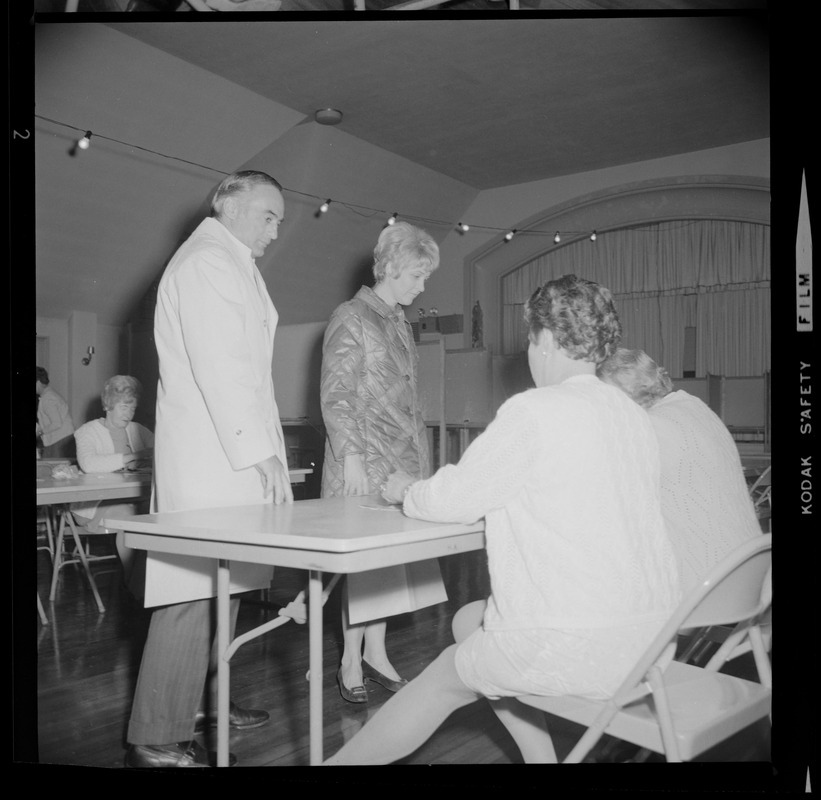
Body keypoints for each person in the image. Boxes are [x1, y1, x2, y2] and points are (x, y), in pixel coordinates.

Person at [323, 274, 680, 765]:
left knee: (443, 678)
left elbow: (453, 499)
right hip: (652, 643)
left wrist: (406, 490)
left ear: (547, 339)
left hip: (575, 645)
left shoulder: (535, 410)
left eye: (531, 340)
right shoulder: (633, 417)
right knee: (471, 626)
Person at [125, 170, 293, 768]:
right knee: (191, 595)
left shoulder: (230, 260)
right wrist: (260, 449)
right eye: (268, 215)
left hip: (229, 458)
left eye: (279, 220)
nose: (276, 230)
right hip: (213, 459)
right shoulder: (206, 262)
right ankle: (156, 736)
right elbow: (222, 367)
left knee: (229, 587)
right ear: (230, 204)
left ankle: (207, 703)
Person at [320, 221, 447, 703]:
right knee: (363, 569)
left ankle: (375, 652)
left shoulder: (397, 321)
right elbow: (337, 394)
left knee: (389, 567)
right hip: (365, 461)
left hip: (400, 462)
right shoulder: (351, 316)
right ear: (391, 267)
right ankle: (350, 661)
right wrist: (350, 457)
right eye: (417, 275)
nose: (422, 286)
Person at [598, 348, 762, 593]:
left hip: (706, 589)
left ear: (622, 395)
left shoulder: (648, 429)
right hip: (752, 574)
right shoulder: (695, 407)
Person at [72, 375, 154, 591]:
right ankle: (134, 585)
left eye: (133, 408)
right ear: (108, 405)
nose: (129, 414)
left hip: (131, 498)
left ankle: (147, 582)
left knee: (153, 514)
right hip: (94, 504)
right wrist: (133, 457)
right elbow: (89, 464)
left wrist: (147, 458)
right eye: (124, 407)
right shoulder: (87, 431)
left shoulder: (137, 429)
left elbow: (160, 450)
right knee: (132, 517)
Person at [36, 366, 74, 457]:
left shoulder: (48, 399)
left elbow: (56, 423)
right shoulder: (49, 395)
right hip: (60, 440)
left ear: (38, 382)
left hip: (59, 441)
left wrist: (40, 432)